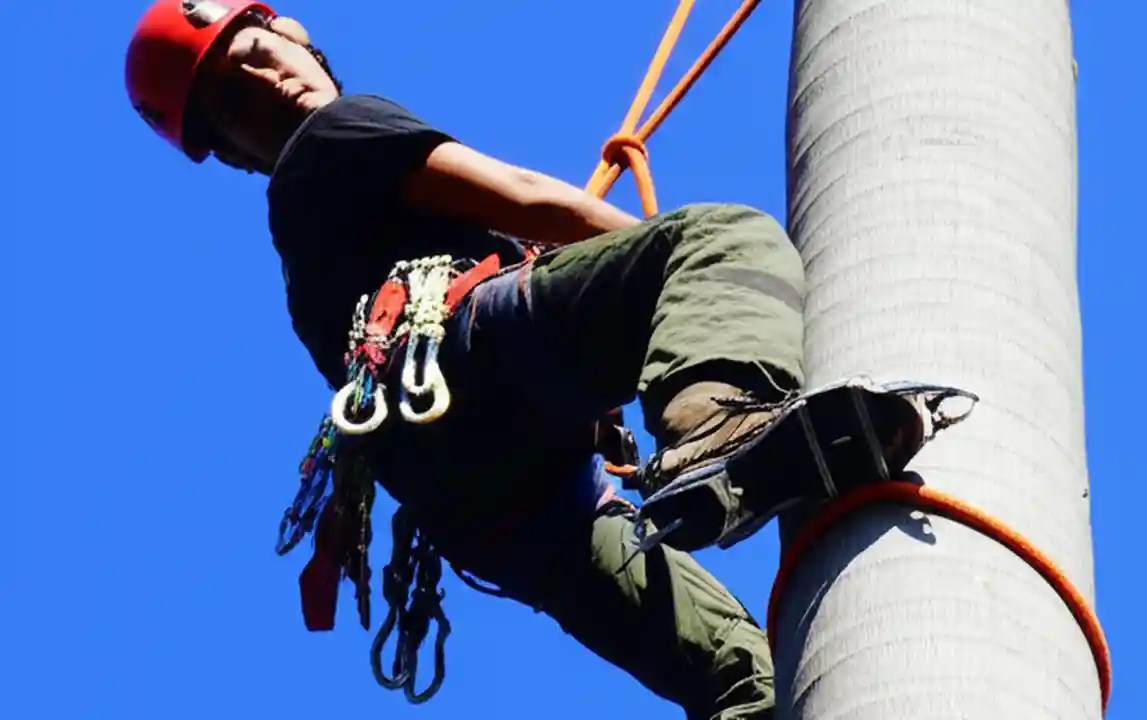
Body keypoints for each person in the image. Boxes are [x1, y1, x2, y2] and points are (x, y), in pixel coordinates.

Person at [125, 1, 813, 717]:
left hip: (500, 513)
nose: (266, 84)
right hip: (479, 371)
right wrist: (703, 273)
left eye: (258, 54)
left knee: (741, 675)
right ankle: (721, 430)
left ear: (290, 33)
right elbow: (534, 201)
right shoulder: (332, 135)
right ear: (236, 153)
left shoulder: (304, 262)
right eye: (234, 103)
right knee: (720, 240)